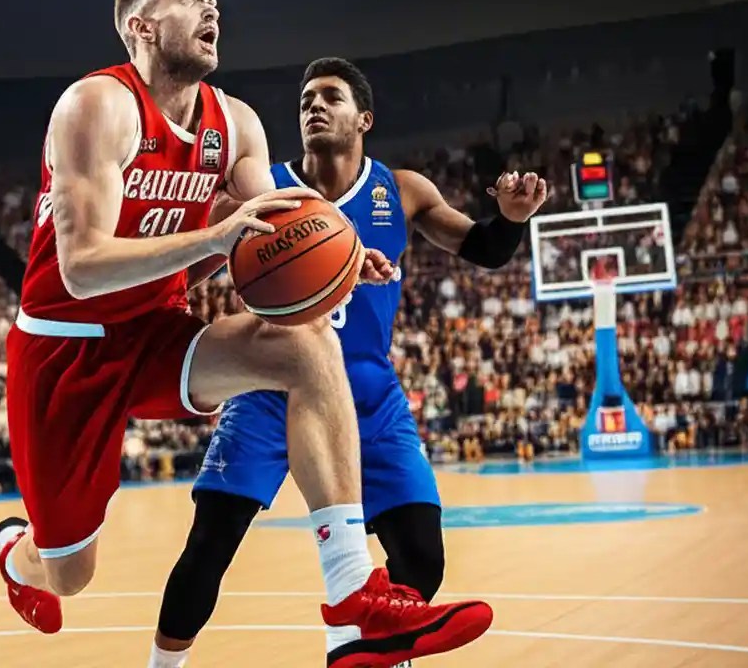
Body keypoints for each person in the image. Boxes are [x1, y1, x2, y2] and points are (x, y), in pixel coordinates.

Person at [0, 0, 492, 666]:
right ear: (142, 26)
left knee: (304, 339)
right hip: (64, 346)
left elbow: (278, 217)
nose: (212, 10)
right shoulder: (97, 106)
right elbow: (83, 268)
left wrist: (341, 256)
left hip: (157, 332)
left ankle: (354, 597)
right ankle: (18, 554)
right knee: (70, 572)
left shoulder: (238, 123)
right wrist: (219, 235)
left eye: (214, 0)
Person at [148, 57, 547, 667]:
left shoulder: (403, 189)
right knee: (208, 548)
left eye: (330, 96)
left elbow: (485, 248)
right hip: (267, 389)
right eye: (306, 98)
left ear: (364, 118)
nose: (313, 105)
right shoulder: (261, 191)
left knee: (422, 558)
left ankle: (350, 651)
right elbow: (185, 258)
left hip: (369, 395)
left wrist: (512, 221)